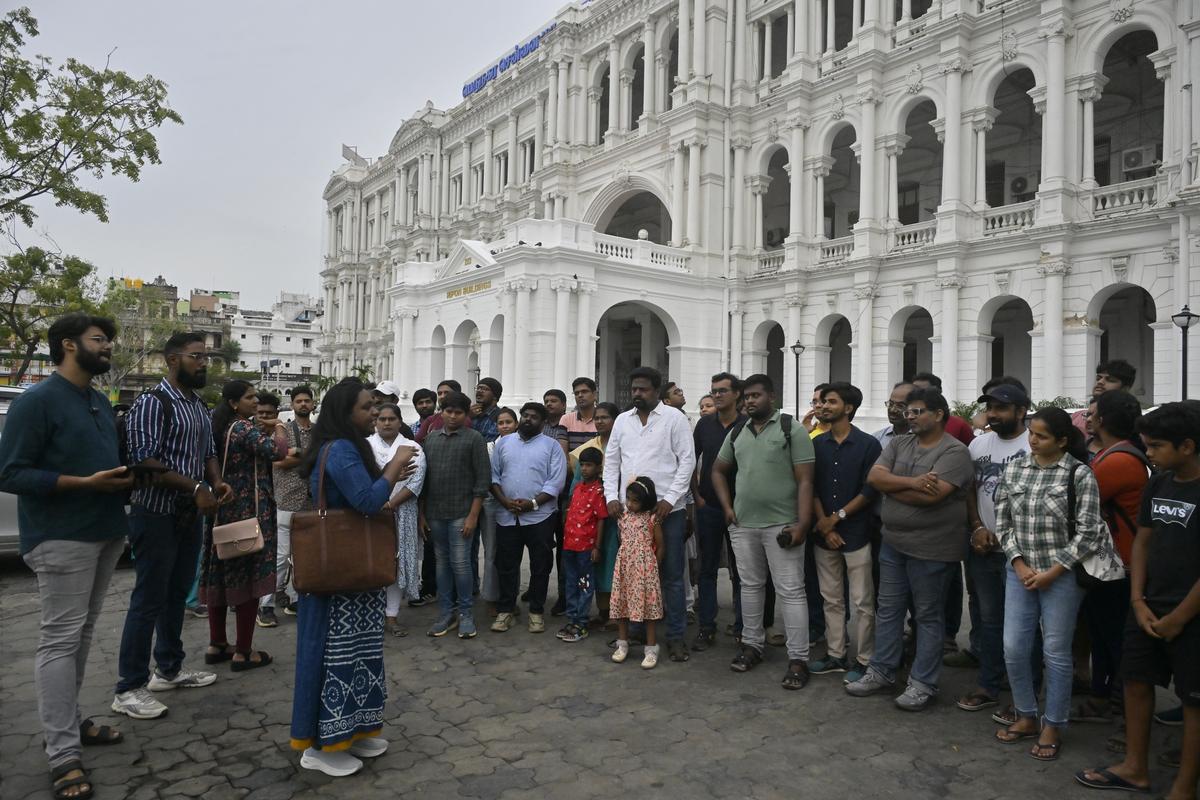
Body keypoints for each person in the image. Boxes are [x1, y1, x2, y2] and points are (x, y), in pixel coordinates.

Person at [0, 313, 136, 800]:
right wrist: (85, 484)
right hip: (60, 536)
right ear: (68, 345)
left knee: (80, 635)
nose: (107, 347)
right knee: (59, 640)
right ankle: (62, 754)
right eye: (100, 339)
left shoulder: (98, 399)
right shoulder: (35, 402)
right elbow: (11, 474)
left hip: (105, 531)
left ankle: (70, 725)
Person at [290, 379, 416, 777]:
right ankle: (321, 746)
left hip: (354, 580)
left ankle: (354, 729)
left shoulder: (349, 446)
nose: (374, 414)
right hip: (337, 582)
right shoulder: (340, 448)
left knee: (360, 655)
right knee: (335, 657)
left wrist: (388, 470)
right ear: (345, 413)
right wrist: (394, 469)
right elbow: (366, 500)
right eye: (366, 408)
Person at [1075, 402, 1200, 798]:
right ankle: (1135, 766)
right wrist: (1138, 599)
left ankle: (1184, 785)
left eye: (1157, 446)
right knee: (1136, 681)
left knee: (1194, 699)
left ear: (1188, 446)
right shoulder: (1159, 481)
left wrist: (1180, 616)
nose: (1148, 453)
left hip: (1191, 613)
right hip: (1148, 604)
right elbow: (1143, 540)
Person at [113, 332, 232, 721]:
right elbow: (145, 460)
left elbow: (208, 451)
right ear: (172, 359)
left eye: (206, 357)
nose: (204, 363)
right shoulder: (153, 402)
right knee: (148, 599)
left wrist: (215, 481)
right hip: (156, 513)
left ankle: (169, 668)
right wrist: (197, 486)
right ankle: (129, 686)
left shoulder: (197, 405)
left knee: (177, 594)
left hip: (188, 516)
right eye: (197, 356)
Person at [846, 387, 973, 711]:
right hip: (894, 543)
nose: (910, 416)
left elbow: (935, 496)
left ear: (939, 414)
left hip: (932, 550)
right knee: (888, 609)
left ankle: (923, 683)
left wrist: (894, 487)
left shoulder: (954, 452)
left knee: (928, 616)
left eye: (917, 411)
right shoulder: (901, 442)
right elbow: (875, 477)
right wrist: (914, 483)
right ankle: (883, 671)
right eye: (908, 411)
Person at [993, 408, 1107, 761]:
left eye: (1041, 436)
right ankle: (1026, 714)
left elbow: (1089, 531)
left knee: (1056, 651)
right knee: (1013, 646)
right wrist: (1019, 562)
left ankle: (1053, 723)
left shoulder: (1078, 474)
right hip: (1020, 571)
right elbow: (1003, 521)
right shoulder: (1015, 468)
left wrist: (1054, 571)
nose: (1033, 440)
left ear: (1061, 440)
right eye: (1032, 433)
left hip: (1063, 575)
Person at [712, 374, 815, 690]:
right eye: (747, 397)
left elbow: (806, 481)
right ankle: (752, 645)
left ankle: (798, 658)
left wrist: (802, 523)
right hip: (743, 526)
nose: (750, 401)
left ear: (771, 396)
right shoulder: (738, 431)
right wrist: (728, 508)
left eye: (756, 395)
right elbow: (717, 470)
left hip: (781, 525)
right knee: (750, 587)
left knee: (791, 591)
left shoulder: (790, 429)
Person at [604, 367, 697, 663]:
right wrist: (611, 498)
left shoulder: (674, 419)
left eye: (643, 389)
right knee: (632, 574)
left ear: (657, 391)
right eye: (634, 389)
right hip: (630, 514)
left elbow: (687, 462)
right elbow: (612, 462)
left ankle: (676, 637)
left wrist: (670, 499)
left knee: (670, 575)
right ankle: (635, 630)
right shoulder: (622, 420)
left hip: (665, 513)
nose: (637, 394)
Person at [955, 382, 1031, 713]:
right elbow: (970, 490)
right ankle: (989, 684)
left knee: (1026, 624)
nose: (994, 414)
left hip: (1024, 553)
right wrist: (976, 527)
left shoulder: (1034, 443)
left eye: (1001, 408)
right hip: (984, 548)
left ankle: (1026, 694)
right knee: (988, 620)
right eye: (991, 408)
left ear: (1021, 411)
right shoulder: (978, 444)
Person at [201, 381, 288, 671]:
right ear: (234, 403)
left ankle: (217, 643)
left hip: (222, 511)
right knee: (249, 577)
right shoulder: (243, 428)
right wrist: (279, 427)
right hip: (250, 511)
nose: (255, 401)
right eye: (250, 397)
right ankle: (243, 651)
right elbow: (279, 452)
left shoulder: (221, 427)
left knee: (221, 574)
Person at [1075, 389, 1149, 724]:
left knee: (1113, 636)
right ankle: (1103, 697)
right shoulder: (1120, 453)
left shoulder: (1117, 460)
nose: (1087, 418)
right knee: (1103, 634)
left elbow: (1075, 502)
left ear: (1102, 420)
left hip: (1117, 565)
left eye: (1091, 414)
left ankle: (1119, 707)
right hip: (1112, 560)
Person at [808, 382, 881, 683]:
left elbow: (870, 489)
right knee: (831, 598)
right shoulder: (816, 444)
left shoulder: (868, 445)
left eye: (831, 402)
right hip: (824, 534)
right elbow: (809, 486)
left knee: (863, 601)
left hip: (857, 532)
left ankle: (865, 660)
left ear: (848, 408)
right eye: (822, 402)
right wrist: (824, 525)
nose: (823, 406)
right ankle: (836, 654)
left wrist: (835, 519)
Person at [490, 402, 567, 634]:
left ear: (543, 423)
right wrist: (504, 501)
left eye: (534, 417)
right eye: (525, 415)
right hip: (507, 515)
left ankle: (536, 611)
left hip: (540, 517)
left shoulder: (552, 446)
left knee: (540, 565)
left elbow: (556, 482)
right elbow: (493, 477)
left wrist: (532, 504)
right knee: (506, 565)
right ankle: (505, 611)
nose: (527, 419)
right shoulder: (503, 443)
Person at [420, 390, 490, 638]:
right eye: (448, 411)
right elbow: (424, 483)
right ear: (441, 411)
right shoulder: (431, 440)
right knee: (442, 565)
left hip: (462, 513)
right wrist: (422, 514)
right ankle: (445, 613)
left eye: (458, 412)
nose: (452, 416)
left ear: (466, 413)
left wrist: (473, 516)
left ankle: (466, 614)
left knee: (461, 565)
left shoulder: (474, 439)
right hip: (435, 513)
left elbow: (482, 482)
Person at [691, 373, 747, 651]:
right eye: (714, 391)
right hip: (709, 507)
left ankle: (742, 626)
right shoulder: (704, 425)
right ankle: (706, 625)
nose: (717, 395)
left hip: (742, 510)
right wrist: (697, 496)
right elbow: (690, 459)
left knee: (742, 571)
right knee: (707, 568)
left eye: (723, 390)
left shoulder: (748, 425)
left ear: (737, 394)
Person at [369, 404, 426, 638]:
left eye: (392, 418)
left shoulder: (412, 447)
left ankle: (391, 616)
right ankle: (371, 614)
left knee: (396, 564)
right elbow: (363, 478)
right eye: (381, 418)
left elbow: (415, 483)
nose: (386, 422)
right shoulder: (365, 446)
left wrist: (390, 504)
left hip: (401, 513)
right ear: (375, 421)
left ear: (400, 421)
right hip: (370, 513)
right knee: (373, 563)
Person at [259, 385, 315, 624]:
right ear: (292, 404)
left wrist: (295, 455)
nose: (303, 404)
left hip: (310, 501)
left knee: (302, 555)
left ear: (313, 404)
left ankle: (295, 600)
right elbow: (277, 462)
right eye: (299, 400)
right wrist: (304, 455)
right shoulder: (283, 430)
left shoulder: (318, 431)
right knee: (281, 556)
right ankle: (265, 605)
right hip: (286, 499)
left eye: (307, 400)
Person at [567, 402, 620, 627]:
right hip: (587, 522)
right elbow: (577, 485)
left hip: (615, 514)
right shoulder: (587, 449)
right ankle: (602, 611)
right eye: (597, 417)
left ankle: (617, 613)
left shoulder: (625, 445)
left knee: (612, 563)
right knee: (594, 566)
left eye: (605, 417)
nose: (599, 421)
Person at [610, 477, 665, 669]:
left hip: (645, 571)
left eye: (635, 500)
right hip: (625, 568)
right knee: (622, 607)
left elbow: (660, 545)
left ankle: (651, 649)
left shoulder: (652, 519)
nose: (630, 504)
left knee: (649, 610)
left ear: (646, 501)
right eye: (628, 499)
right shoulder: (622, 518)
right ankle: (622, 644)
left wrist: (653, 567)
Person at [559, 447, 608, 642]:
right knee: (571, 582)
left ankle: (582, 622)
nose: (585, 469)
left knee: (584, 584)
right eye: (582, 465)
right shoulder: (577, 487)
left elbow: (602, 519)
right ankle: (572, 619)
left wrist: (597, 547)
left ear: (598, 468)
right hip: (569, 545)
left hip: (586, 549)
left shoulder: (598, 491)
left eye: (589, 465)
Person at [1071, 359, 1137, 437]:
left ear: (1125, 388)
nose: (1100, 382)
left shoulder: (1130, 420)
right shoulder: (1076, 417)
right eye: (1098, 378)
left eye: (1110, 380)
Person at [911, 372, 975, 447]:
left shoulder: (958, 425)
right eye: (913, 391)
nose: (916, 395)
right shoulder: (907, 422)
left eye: (922, 391)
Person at [561, 377, 600, 452]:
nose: (580, 395)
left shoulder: (602, 419)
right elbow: (563, 453)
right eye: (576, 393)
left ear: (595, 394)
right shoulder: (566, 419)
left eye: (584, 392)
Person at [469, 378, 503, 443]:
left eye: (484, 389)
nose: (479, 391)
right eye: (478, 388)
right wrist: (467, 417)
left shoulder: (499, 416)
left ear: (495, 396)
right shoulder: (472, 414)